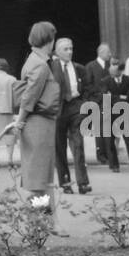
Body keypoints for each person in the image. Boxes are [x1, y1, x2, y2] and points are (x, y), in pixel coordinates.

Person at [13, 23, 61, 198]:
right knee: (38, 180)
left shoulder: (33, 60)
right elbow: (29, 97)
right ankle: (40, 222)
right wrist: (20, 120)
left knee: (40, 178)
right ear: (49, 40)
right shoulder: (40, 65)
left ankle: (44, 221)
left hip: (37, 124)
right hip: (39, 125)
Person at [52, 36, 92, 194]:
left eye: (71, 48)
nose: (70, 52)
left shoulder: (79, 68)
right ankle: (65, 182)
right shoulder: (51, 67)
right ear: (57, 51)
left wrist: (83, 104)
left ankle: (83, 183)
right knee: (59, 147)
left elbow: (89, 88)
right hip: (58, 109)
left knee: (78, 145)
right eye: (66, 49)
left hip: (75, 107)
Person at [104, 58, 129, 171]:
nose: (112, 73)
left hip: (124, 114)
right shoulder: (106, 80)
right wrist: (121, 97)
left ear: (120, 71)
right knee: (110, 141)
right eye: (111, 71)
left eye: (114, 71)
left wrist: (115, 97)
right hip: (111, 114)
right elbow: (106, 98)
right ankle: (114, 165)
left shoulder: (127, 80)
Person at [84, 43, 113, 163]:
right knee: (99, 129)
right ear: (101, 53)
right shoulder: (90, 66)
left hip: (110, 101)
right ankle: (101, 155)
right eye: (108, 52)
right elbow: (87, 84)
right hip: (96, 101)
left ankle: (109, 154)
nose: (110, 54)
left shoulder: (110, 66)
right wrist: (99, 94)